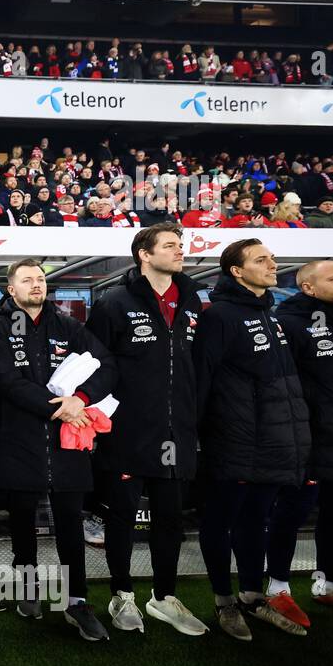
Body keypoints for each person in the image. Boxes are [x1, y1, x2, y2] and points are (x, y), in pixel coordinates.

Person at [0, 258, 115, 641]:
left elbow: (108, 366)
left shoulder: (69, 326)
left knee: (70, 523)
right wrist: (62, 408)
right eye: (27, 280)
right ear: (12, 289)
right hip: (21, 440)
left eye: (40, 279)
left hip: (68, 443)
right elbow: (8, 382)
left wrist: (83, 398)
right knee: (22, 520)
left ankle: (77, 601)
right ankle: (26, 590)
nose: (36, 284)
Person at [85, 224, 209, 636]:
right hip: (127, 432)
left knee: (170, 519)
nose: (180, 251)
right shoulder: (113, 303)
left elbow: (201, 367)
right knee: (121, 517)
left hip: (179, 432)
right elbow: (92, 365)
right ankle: (122, 594)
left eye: (181, 245)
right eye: (171, 246)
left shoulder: (192, 300)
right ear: (144, 253)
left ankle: (164, 597)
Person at [194, 239, 311, 640]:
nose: (272, 264)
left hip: (273, 442)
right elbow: (202, 382)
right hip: (233, 443)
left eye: (273, 257)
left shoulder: (272, 315)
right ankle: (224, 602)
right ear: (237, 271)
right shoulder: (219, 317)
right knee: (220, 522)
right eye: (262, 260)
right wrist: (203, 436)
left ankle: (251, 596)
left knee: (255, 522)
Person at [264, 260, 333, 622]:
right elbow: (277, 389)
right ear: (308, 288)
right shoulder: (288, 325)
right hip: (305, 444)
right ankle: (277, 587)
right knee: (291, 513)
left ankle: (328, 585)